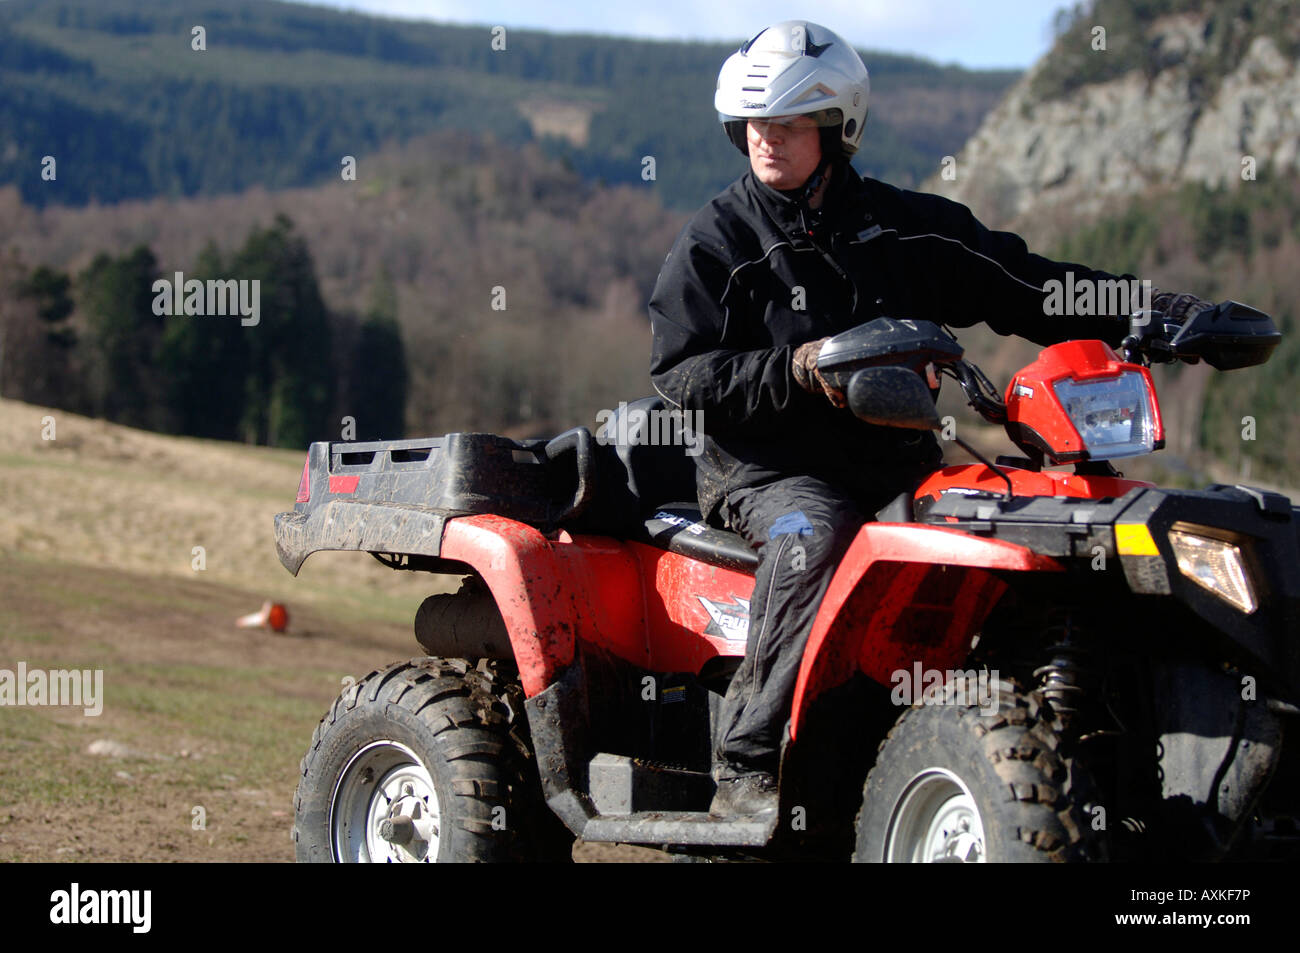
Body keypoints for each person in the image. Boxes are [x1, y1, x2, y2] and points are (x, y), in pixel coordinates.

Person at [647, 20, 1215, 816]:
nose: (766, 140)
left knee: (1021, 530)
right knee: (811, 537)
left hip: (897, 464)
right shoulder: (717, 242)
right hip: (766, 474)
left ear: (836, 129)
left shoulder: (905, 230)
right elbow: (679, 372)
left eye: (788, 122)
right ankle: (746, 754)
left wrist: (1156, 316)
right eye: (753, 125)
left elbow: (1028, 285)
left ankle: (1039, 749)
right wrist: (797, 370)